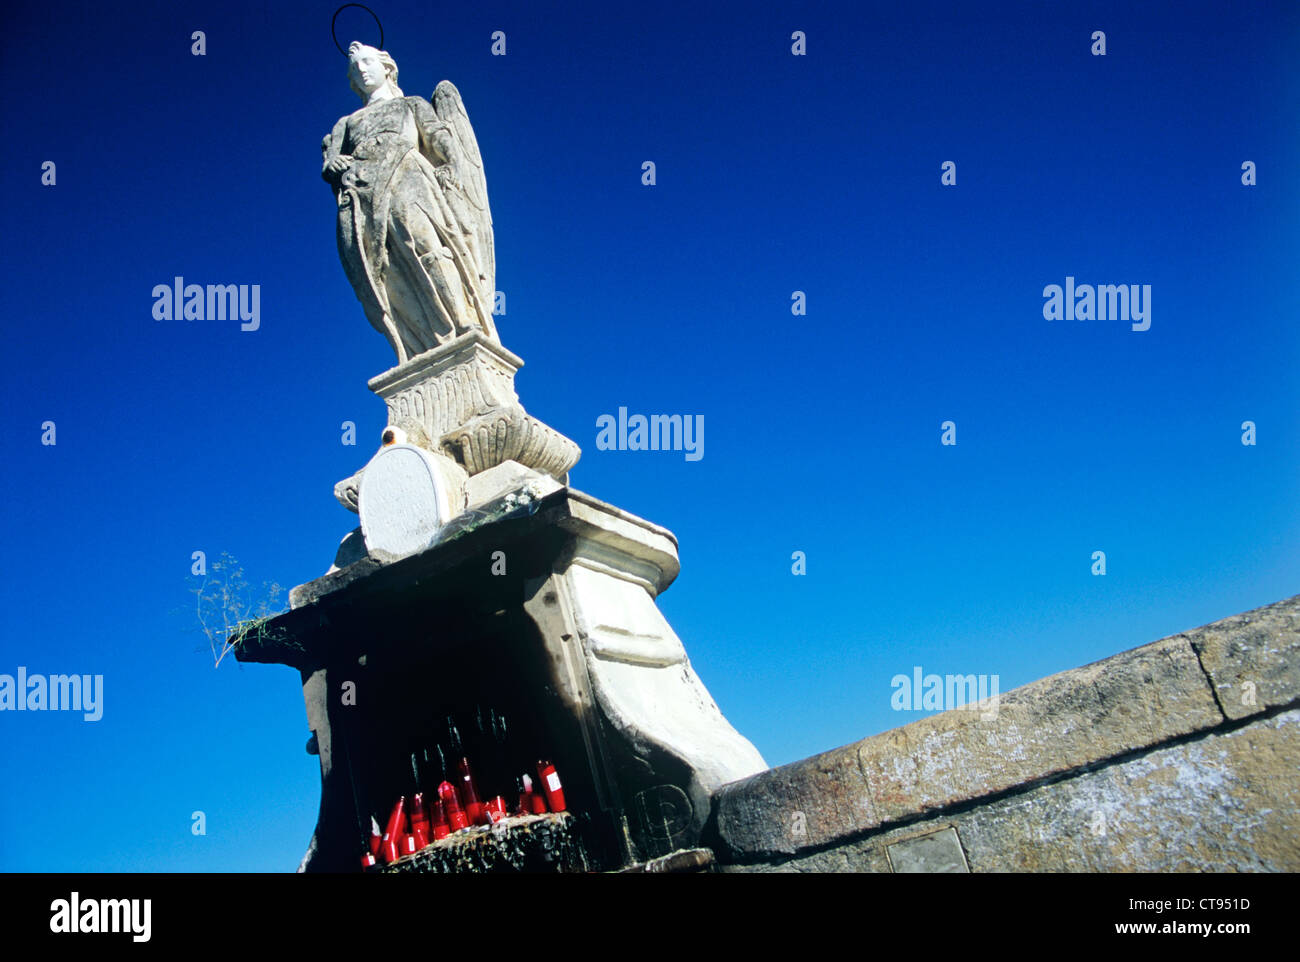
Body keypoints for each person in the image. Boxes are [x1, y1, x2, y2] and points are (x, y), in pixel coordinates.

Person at [322, 42, 497, 363]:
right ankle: (420, 343)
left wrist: (451, 163)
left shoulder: (410, 105)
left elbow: (438, 136)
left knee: (426, 244)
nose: (361, 70)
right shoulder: (345, 124)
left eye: (367, 62)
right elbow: (331, 162)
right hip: (362, 191)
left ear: (387, 68)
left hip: (407, 174)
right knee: (385, 270)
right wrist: (333, 165)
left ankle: (463, 323)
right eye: (355, 68)